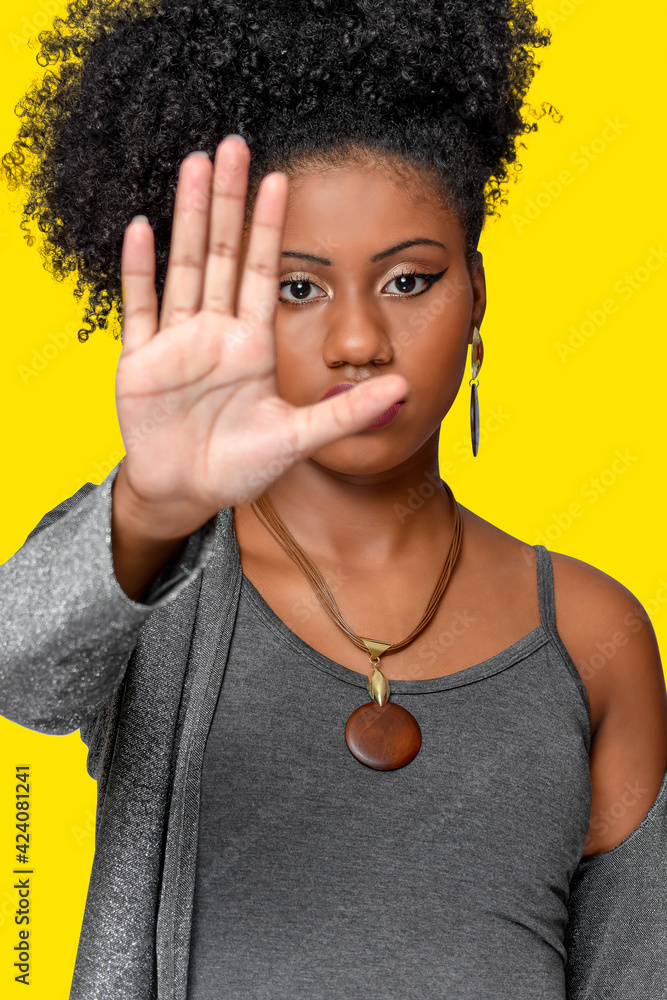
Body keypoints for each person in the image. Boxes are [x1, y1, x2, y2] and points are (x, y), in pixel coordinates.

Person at [1, 1, 666, 998]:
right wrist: (149, 501)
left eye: (408, 280)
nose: (357, 341)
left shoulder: (592, 631)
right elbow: (19, 666)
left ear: (475, 294)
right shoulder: (157, 569)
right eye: (298, 289)